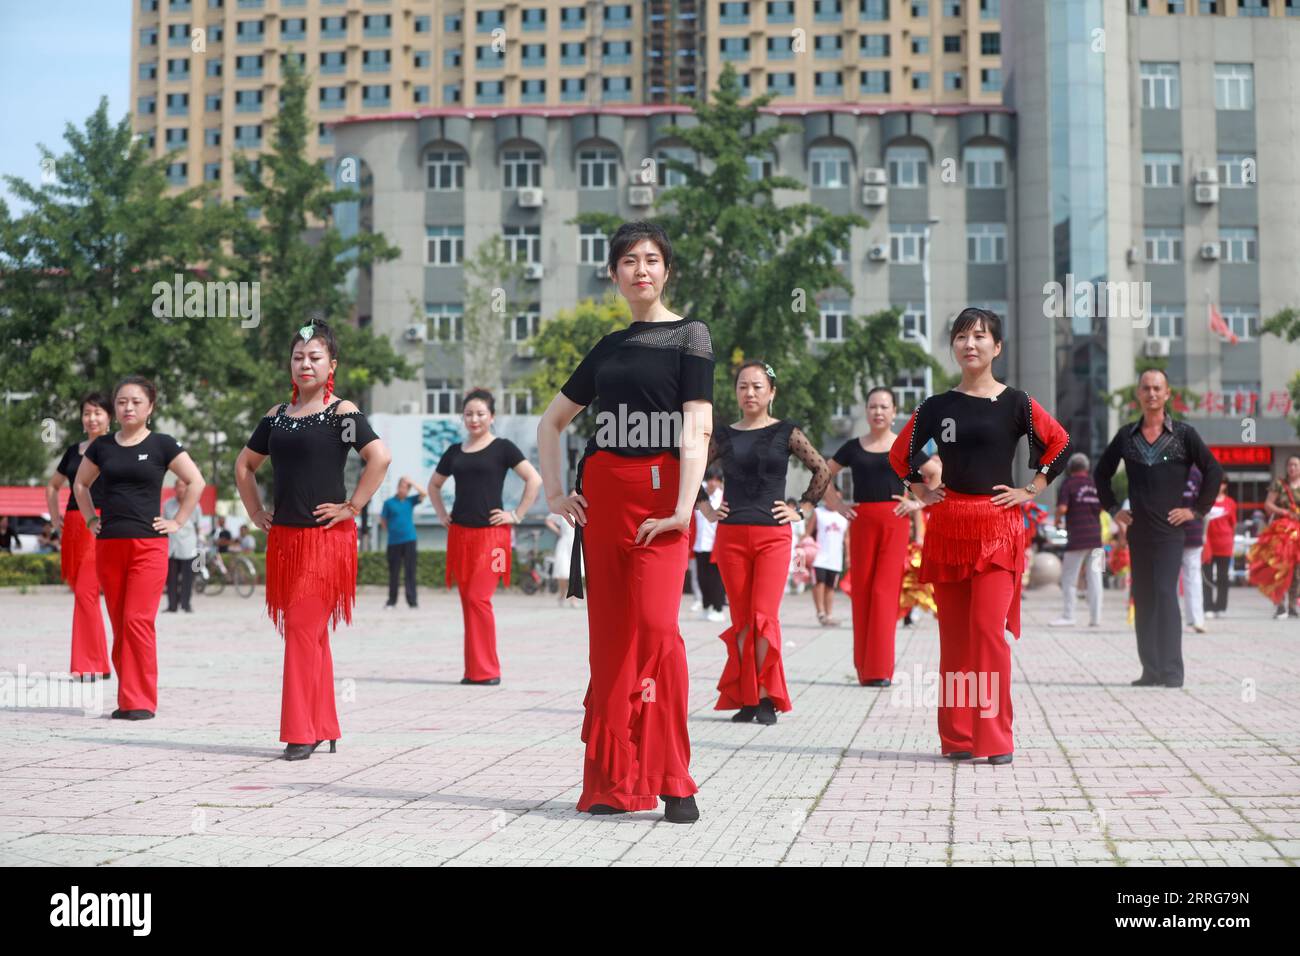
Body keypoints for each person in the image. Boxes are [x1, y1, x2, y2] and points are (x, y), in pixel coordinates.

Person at [536, 219, 712, 824]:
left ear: (667, 270)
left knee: (659, 630)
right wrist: (556, 493)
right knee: (610, 642)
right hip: (605, 501)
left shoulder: (691, 335)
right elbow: (551, 422)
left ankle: (673, 778)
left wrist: (685, 507)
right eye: (629, 261)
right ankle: (614, 782)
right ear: (612, 275)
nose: (641, 269)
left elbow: (697, 426)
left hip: (664, 501)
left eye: (652, 259)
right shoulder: (608, 347)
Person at [890, 307, 1070, 765]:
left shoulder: (1017, 403)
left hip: (996, 526)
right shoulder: (936, 406)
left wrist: (1031, 490)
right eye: (961, 337)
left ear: (997, 347)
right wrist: (921, 491)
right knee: (953, 637)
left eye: (980, 336)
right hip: (949, 525)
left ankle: (995, 738)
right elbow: (900, 454)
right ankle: (957, 737)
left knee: (988, 633)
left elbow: (1060, 443)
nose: (970, 344)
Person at [235, 319, 392, 760]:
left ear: (331, 364)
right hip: (284, 541)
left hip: (326, 540)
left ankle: (300, 729)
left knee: (303, 632)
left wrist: (353, 507)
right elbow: (244, 466)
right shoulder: (276, 417)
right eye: (298, 356)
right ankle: (323, 723)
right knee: (308, 636)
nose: (305, 364)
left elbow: (379, 457)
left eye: (315, 357)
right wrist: (254, 511)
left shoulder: (341, 414)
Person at [696, 360, 830, 724]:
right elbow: (689, 467)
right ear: (736, 392)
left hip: (773, 536)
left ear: (772, 392)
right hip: (731, 535)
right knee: (741, 618)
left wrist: (801, 508)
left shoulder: (787, 432)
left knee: (763, 616)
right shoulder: (723, 435)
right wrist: (706, 509)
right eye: (743, 386)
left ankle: (768, 696)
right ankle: (747, 697)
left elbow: (823, 469)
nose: (749, 392)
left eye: (757, 386)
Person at [73, 376, 205, 719]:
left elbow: (195, 481)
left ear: (150, 407)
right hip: (110, 545)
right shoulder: (102, 447)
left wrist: (177, 522)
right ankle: (127, 698)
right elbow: (81, 484)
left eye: (135, 401)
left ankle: (142, 701)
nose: (128, 407)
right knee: (119, 622)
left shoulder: (162, 444)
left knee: (137, 620)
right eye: (121, 402)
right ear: (115, 408)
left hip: (149, 546)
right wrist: (90, 519)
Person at [1095, 368, 1223, 688]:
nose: (1151, 393)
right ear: (1138, 394)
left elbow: (1213, 470)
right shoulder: (1127, 436)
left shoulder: (1184, 434)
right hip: (1139, 532)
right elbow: (1101, 473)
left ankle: (1172, 671)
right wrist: (1113, 509)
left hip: (1169, 532)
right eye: (1146, 388)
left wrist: (1196, 510)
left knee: (1166, 593)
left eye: (1157, 388)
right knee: (1145, 596)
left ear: (1167, 395)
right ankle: (1150, 671)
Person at [429, 389, 542, 685]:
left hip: (494, 538)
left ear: (492, 417)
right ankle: (473, 671)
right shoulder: (454, 451)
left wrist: (516, 515)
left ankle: (489, 670)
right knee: (468, 600)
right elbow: (434, 486)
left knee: (480, 598)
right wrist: (441, 514)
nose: (474, 419)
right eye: (469, 414)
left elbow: (534, 479)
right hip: (460, 535)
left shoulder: (503, 448)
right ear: (462, 417)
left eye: (480, 414)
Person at [828, 386, 924, 685]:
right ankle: (864, 669)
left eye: (884, 407)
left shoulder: (904, 447)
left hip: (894, 523)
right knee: (863, 593)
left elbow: (938, 474)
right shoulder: (853, 447)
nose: (878, 412)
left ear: (894, 412)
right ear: (866, 411)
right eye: (873, 407)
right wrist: (838, 505)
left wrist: (918, 502)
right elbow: (822, 473)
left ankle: (881, 670)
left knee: (884, 594)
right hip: (862, 522)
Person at [46, 392, 113, 680]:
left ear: (109, 417)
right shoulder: (74, 451)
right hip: (73, 527)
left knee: (87, 594)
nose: (92, 418)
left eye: (98, 412)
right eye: (87, 412)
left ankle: (89, 664)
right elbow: (53, 485)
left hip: (98, 523)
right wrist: (54, 517)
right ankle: (99, 663)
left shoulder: (114, 447)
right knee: (83, 595)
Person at [1051, 452, 1104, 628]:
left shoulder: (1069, 483)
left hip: (1077, 539)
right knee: (1096, 578)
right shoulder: (1095, 484)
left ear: (1070, 468)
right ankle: (1095, 618)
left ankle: (1068, 616)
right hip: (1096, 539)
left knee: (1069, 578)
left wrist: (1057, 519)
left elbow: (1063, 507)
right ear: (1087, 468)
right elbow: (1102, 507)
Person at [1248, 454, 1300, 619]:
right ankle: (1280, 605)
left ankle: (1293, 605)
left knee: (1297, 570)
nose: (1292, 468)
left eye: (1296, 465)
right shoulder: (1279, 484)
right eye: (1290, 465)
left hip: (1298, 532)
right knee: (1279, 567)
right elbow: (1268, 505)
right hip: (1282, 532)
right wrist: (1284, 512)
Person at [380, 476, 424, 609]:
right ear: (397, 487)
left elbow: (424, 493)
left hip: (410, 540)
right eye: (401, 487)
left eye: (405, 488)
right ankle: (391, 601)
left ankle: (412, 601)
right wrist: (392, 531)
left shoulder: (410, 501)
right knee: (394, 572)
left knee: (410, 571)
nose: (402, 490)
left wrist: (412, 482)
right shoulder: (389, 503)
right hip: (394, 542)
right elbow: (383, 521)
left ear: (408, 490)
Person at [163, 476, 203, 613]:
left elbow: (199, 526)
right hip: (172, 546)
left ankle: (186, 605)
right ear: (174, 489)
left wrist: (200, 545)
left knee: (188, 578)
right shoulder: (167, 504)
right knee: (171, 578)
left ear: (187, 488)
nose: (180, 489)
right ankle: (172, 605)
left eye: (183, 486)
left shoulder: (195, 505)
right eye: (178, 486)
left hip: (189, 546)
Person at [693, 466, 726, 623]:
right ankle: (706, 607)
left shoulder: (723, 499)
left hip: (716, 546)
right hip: (700, 544)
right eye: (710, 479)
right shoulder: (699, 495)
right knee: (702, 578)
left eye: (716, 480)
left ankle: (718, 608)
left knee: (716, 579)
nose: (713, 483)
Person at [807, 503, 848, 626]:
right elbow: (808, 532)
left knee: (830, 587)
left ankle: (829, 614)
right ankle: (821, 613)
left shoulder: (843, 516)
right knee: (819, 584)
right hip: (819, 556)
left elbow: (847, 538)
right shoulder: (819, 512)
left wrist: (848, 556)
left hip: (835, 559)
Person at [1202, 479, 1237, 619]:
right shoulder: (1205, 500)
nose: (1218, 484)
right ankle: (1208, 606)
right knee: (1207, 576)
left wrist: (1231, 542)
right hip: (1207, 543)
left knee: (1223, 576)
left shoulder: (1230, 503)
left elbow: (1233, 524)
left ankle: (1221, 606)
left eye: (1222, 482)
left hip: (1224, 544)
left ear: (1225, 485)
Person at [1179, 466, 1207, 634]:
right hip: (1194, 529)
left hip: (1171, 530)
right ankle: (1196, 619)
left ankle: (1171, 620)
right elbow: (1206, 503)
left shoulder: (1168, 468)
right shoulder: (1198, 474)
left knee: (1169, 579)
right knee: (1193, 576)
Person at [545, 507, 580, 606]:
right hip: (564, 543)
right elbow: (548, 520)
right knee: (562, 571)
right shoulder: (563, 508)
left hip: (576, 543)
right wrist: (558, 532)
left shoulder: (582, 509)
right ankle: (562, 594)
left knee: (575, 572)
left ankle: (573, 598)